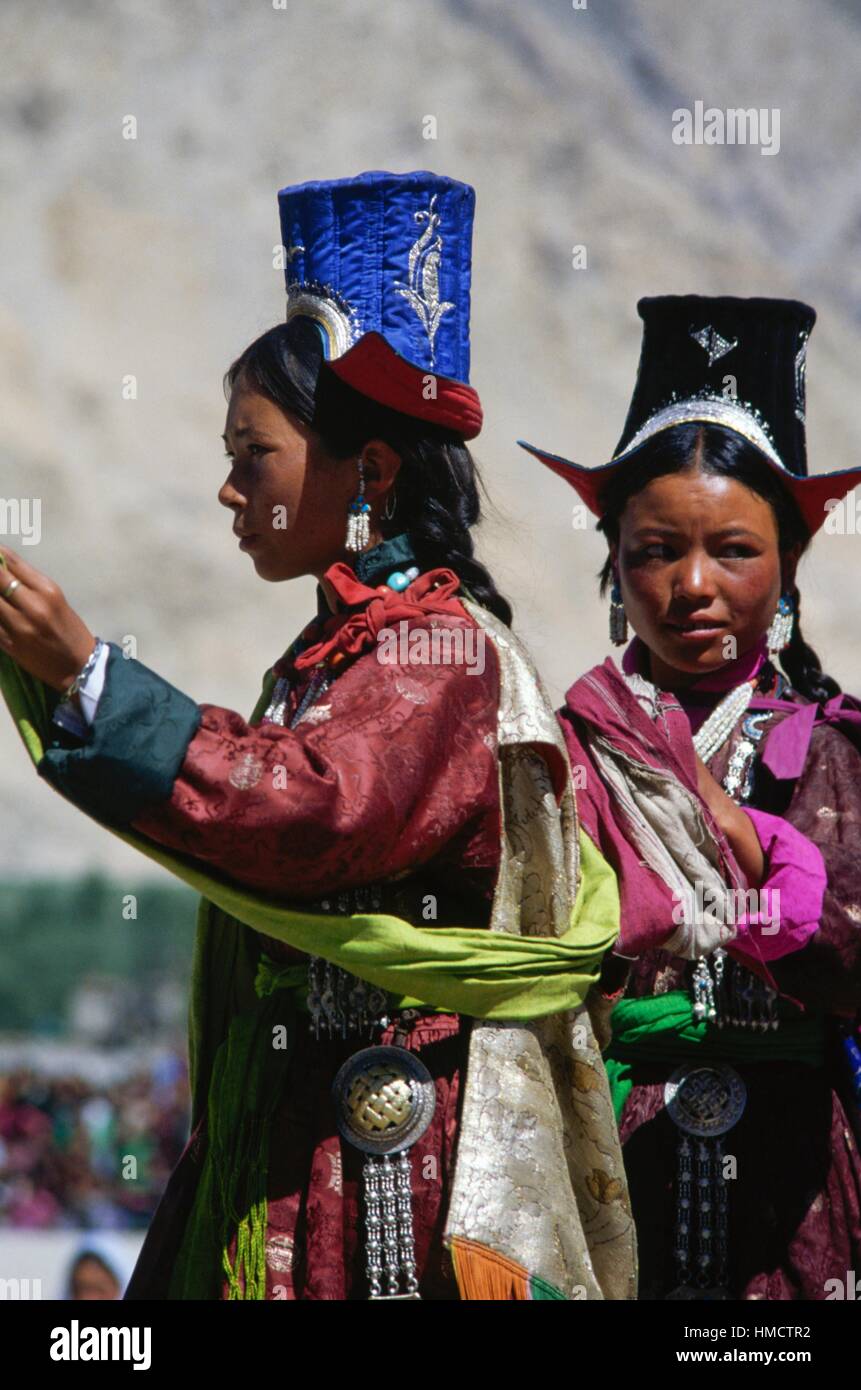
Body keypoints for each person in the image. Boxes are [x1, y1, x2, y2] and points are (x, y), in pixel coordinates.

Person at [0, 171, 635, 1301]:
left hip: (390, 1153)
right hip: (306, 1135)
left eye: (256, 456)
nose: (229, 491)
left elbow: (309, 811)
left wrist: (89, 676)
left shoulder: (442, 653)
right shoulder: (333, 659)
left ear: (370, 473)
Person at [521, 295, 861, 1300]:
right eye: (656, 551)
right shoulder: (563, 748)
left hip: (799, 1178)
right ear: (615, 563)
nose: (693, 585)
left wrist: (731, 831)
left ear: (791, 558)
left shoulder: (836, 751)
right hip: (613, 1163)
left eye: (735, 550)